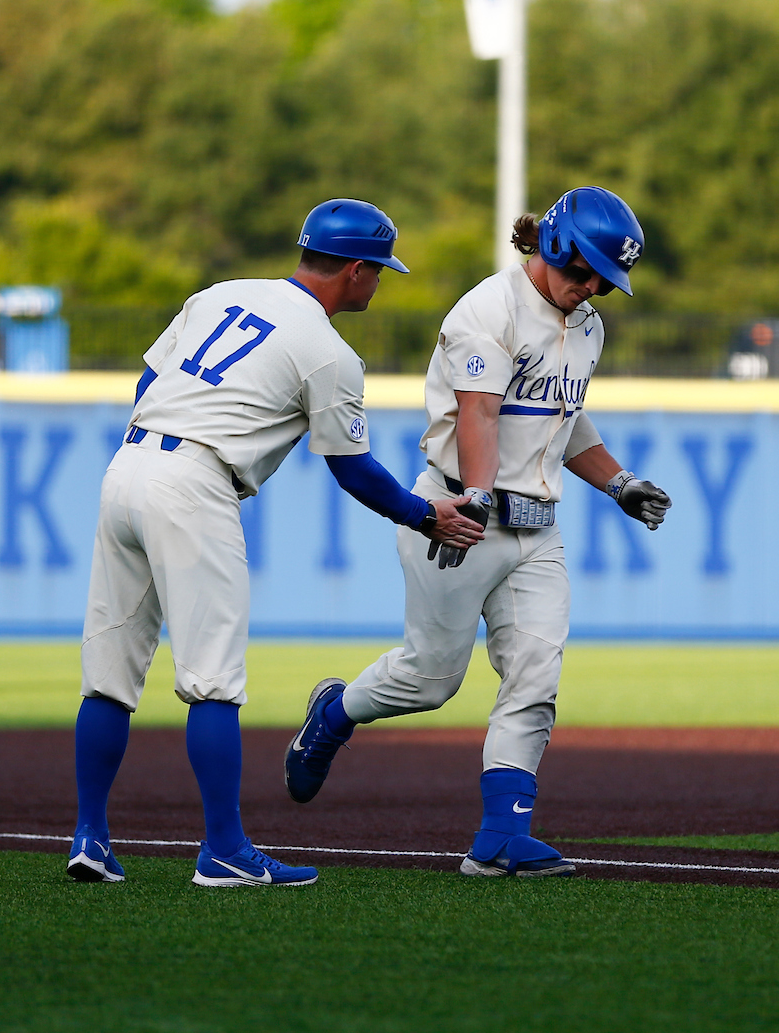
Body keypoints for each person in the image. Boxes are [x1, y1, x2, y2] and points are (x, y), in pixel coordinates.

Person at [67, 198, 483, 888]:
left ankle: (90, 837)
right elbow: (351, 468)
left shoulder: (220, 294)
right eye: (379, 269)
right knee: (213, 682)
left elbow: (149, 383)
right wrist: (423, 514)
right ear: (354, 269)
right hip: (196, 484)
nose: (379, 282)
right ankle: (224, 851)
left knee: (108, 673)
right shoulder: (329, 352)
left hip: (129, 466)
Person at [284, 186, 672, 879]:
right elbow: (480, 415)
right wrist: (477, 498)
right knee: (430, 681)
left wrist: (617, 482)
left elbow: (562, 416)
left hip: (536, 528)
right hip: (457, 513)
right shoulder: (487, 309)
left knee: (536, 675)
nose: (591, 291)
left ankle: (500, 837)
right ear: (553, 245)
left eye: (604, 284)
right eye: (584, 272)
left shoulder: (586, 325)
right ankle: (334, 712)